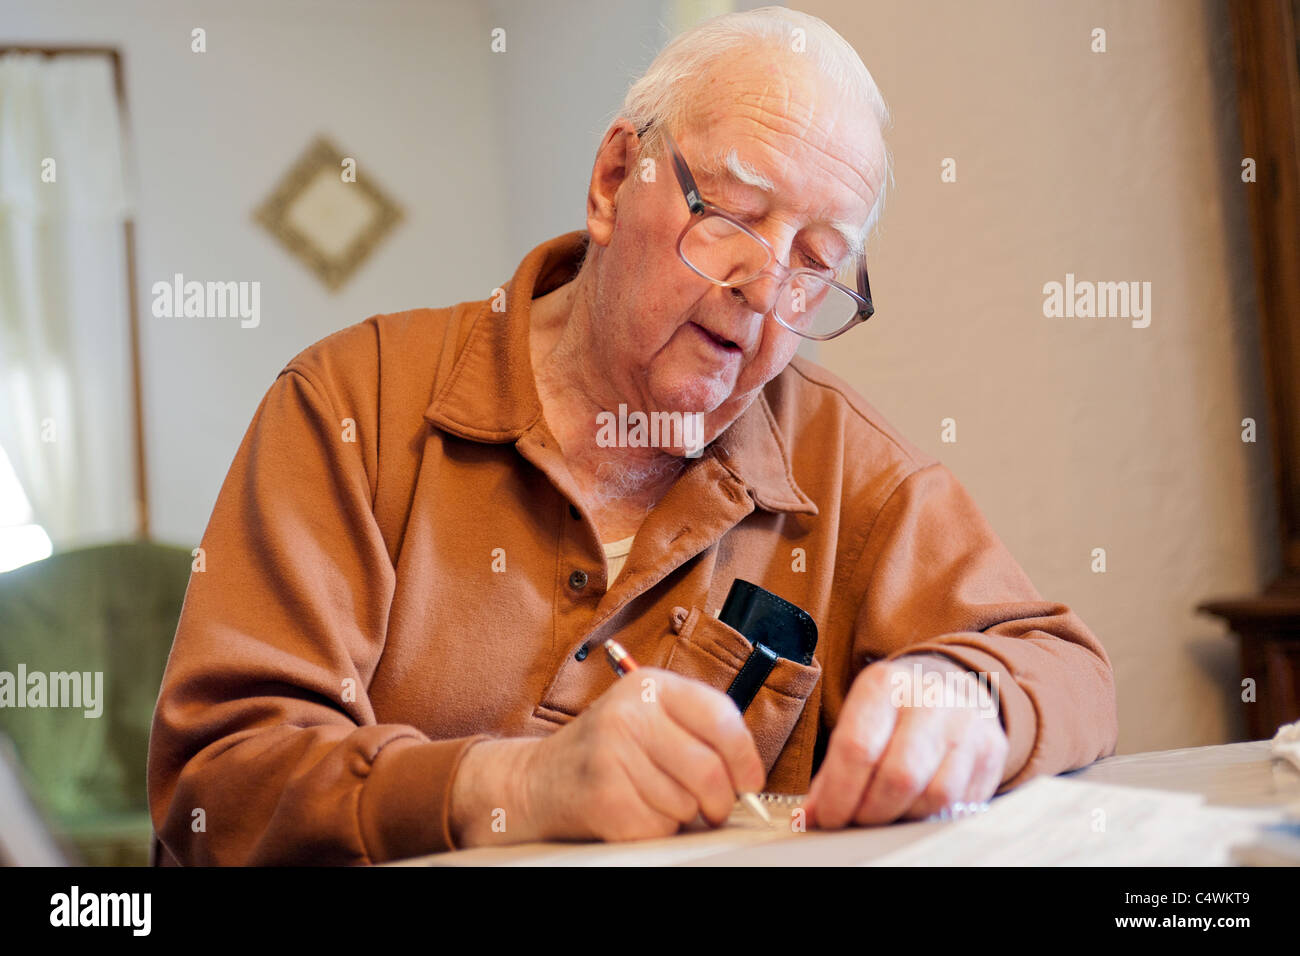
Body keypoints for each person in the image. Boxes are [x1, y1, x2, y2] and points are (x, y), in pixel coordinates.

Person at [148, 7, 1117, 865]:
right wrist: (515, 788)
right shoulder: (350, 405)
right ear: (614, 179)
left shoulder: (847, 467)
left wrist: (965, 694)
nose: (765, 290)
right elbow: (217, 784)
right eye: (735, 214)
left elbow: (1067, 665)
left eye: (817, 262)